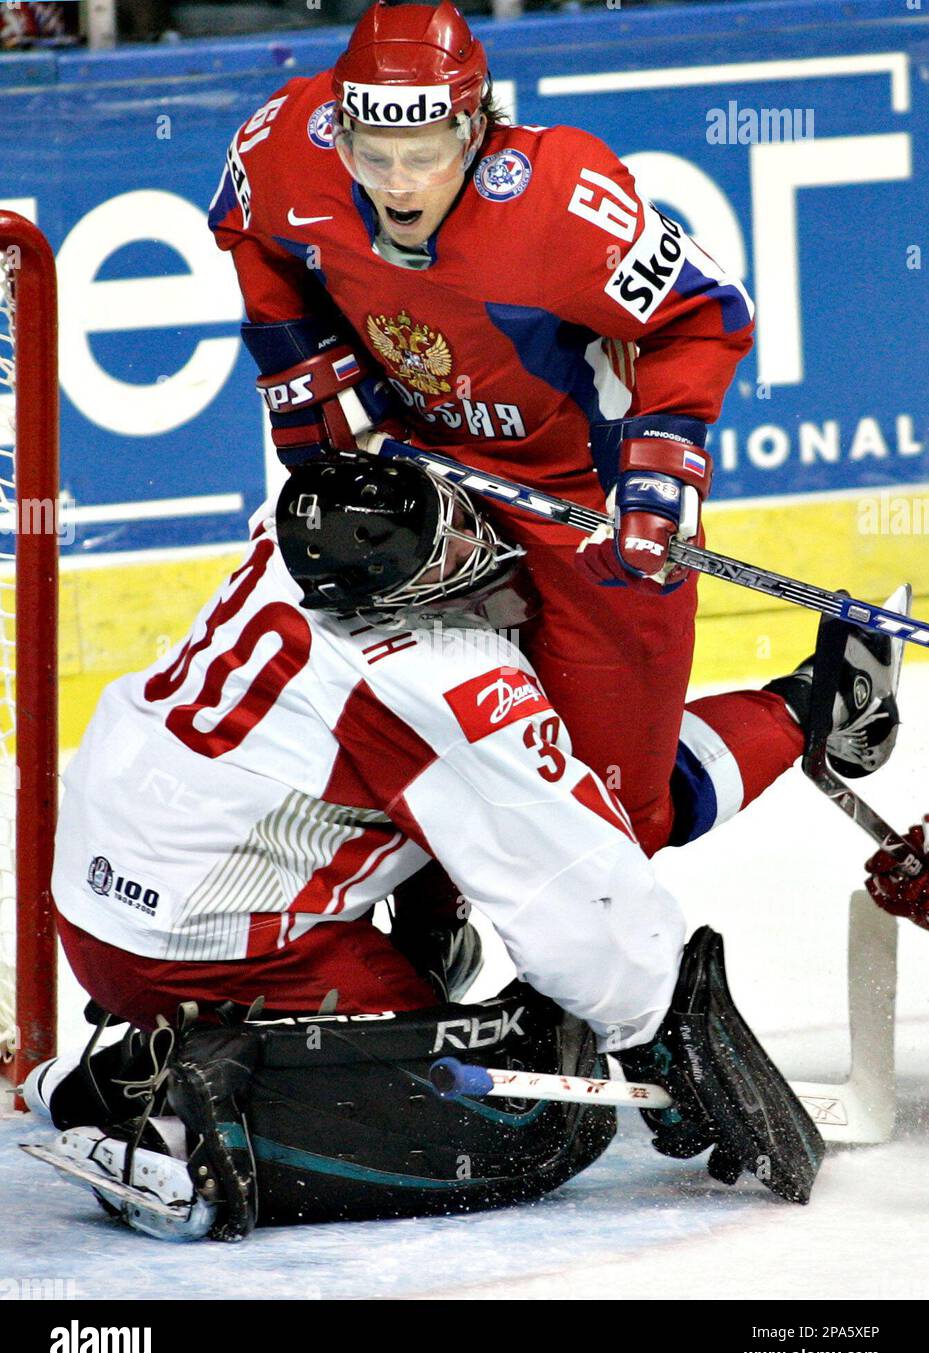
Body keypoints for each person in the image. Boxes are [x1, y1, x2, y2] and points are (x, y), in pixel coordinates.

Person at [33, 449, 912, 1238]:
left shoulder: (292, 544)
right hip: (219, 958)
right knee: (528, 1122)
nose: (468, 554)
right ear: (383, 599)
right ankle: (188, 1122)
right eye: (442, 559)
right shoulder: (428, 675)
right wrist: (662, 1029)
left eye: (450, 532)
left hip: (105, 909)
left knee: (548, 816)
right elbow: (574, 878)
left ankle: (811, 705)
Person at [207, 0, 771, 860]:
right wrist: (303, 372)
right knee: (396, 759)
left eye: (423, 157)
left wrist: (656, 474)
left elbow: (704, 313)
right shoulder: (289, 141)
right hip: (422, 480)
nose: (396, 184)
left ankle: (815, 704)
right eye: (373, 154)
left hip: (577, 496)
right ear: (341, 129)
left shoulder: (562, 205)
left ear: (473, 132)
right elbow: (248, 230)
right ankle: (434, 931)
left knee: (612, 825)